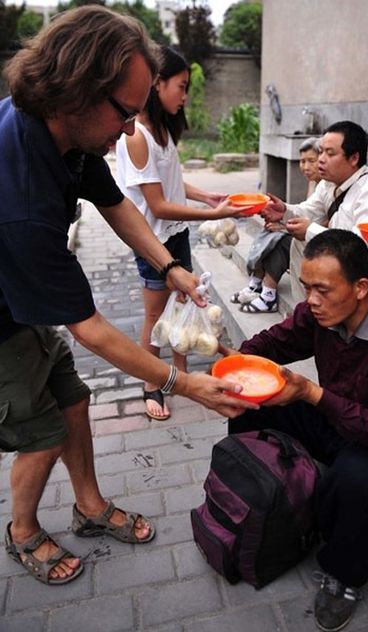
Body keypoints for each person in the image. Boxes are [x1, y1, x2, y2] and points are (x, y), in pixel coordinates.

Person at [0, 6, 256, 586]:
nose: (132, 126)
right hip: (3, 318)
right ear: (76, 90)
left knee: (72, 398)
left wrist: (169, 267)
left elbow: (115, 203)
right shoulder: (19, 193)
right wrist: (184, 383)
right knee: (41, 430)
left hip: (22, 294)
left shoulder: (67, 133)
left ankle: (89, 507)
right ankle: (21, 532)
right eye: (126, 111)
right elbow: (89, 326)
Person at [221, 230, 368, 631]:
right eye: (306, 288)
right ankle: (260, 495)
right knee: (250, 408)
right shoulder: (316, 314)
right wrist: (233, 361)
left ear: (360, 288)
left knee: (351, 480)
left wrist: (311, 394)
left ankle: (345, 575)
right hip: (335, 420)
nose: (312, 301)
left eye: (322, 289)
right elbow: (272, 343)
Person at [116, 46, 243, 421]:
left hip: (176, 234)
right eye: (181, 86)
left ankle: (181, 374)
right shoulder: (136, 135)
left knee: (185, 302)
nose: (185, 96)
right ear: (157, 84)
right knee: (155, 316)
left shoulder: (162, 131)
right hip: (152, 240)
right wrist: (212, 213)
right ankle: (151, 383)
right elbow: (158, 205)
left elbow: (171, 183)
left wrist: (208, 195)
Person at [262, 120, 368, 303]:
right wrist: (284, 211)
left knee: (305, 240)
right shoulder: (328, 185)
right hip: (338, 260)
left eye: (330, 153)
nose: (321, 159)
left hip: (367, 273)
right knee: (299, 242)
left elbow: (359, 248)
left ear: (354, 158)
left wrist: (310, 230)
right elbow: (309, 211)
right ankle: (304, 313)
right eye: (321, 151)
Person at [230, 137, 322, 313]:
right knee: (270, 229)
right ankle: (256, 283)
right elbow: (307, 211)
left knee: (280, 240)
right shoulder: (315, 183)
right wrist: (281, 220)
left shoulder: (329, 185)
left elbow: (322, 222)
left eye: (311, 161)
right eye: (302, 161)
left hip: (319, 239)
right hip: (309, 232)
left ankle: (268, 295)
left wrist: (284, 227)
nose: (305, 166)